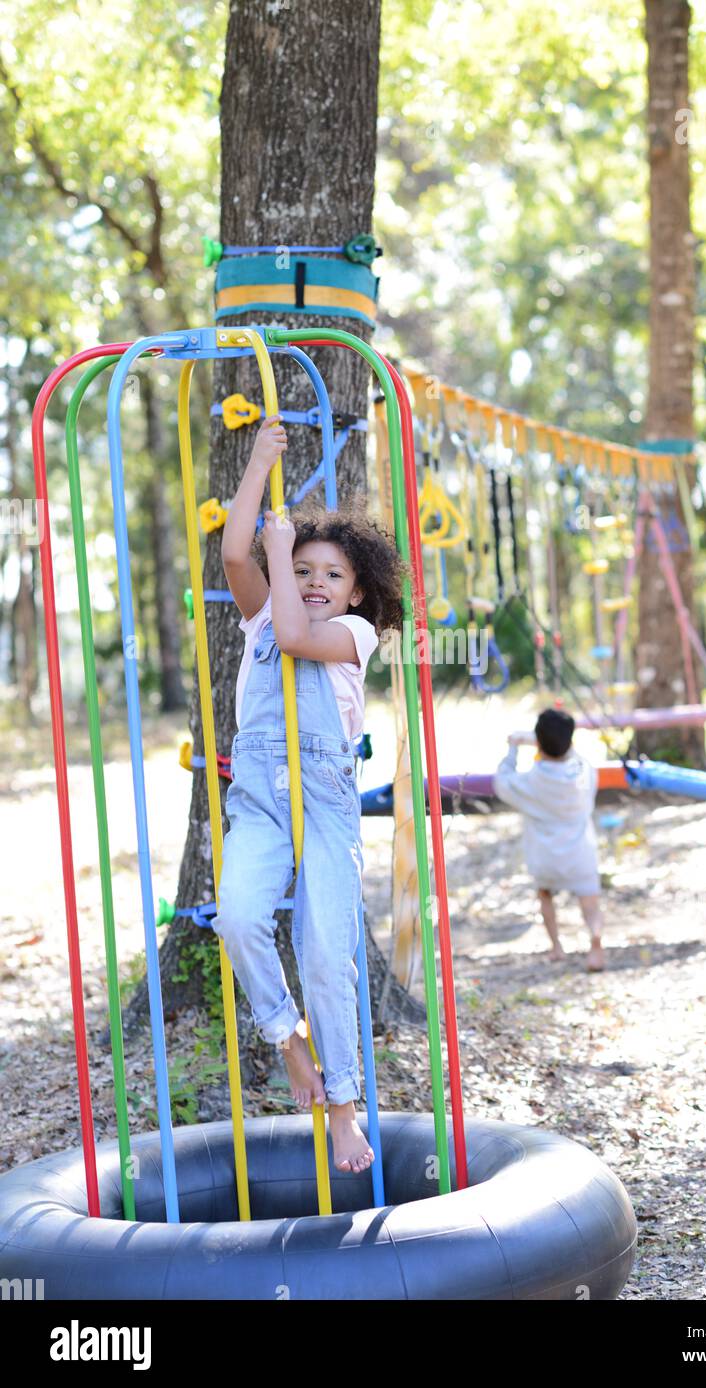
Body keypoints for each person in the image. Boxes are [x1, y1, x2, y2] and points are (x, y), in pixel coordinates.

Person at [214, 415, 405, 1174]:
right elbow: (235, 550)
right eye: (304, 572)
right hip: (259, 795)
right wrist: (261, 462)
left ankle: (344, 1110)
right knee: (236, 914)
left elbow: (296, 640)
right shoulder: (262, 610)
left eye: (331, 575)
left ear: (356, 591)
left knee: (328, 953)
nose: (315, 582)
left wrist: (282, 547)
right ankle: (289, 1043)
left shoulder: (352, 637)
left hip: (324, 800)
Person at [493, 707, 605, 970]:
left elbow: (503, 781)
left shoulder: (530, 783)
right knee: (590, 902)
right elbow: (573, 754)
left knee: (545, 895)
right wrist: (543, 741)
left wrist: (513, 747)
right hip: (582, 853)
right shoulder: (582, 773)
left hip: (545, 856)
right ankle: (596, 942)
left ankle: (556, 947)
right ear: (570, 741)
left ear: (539, 743)